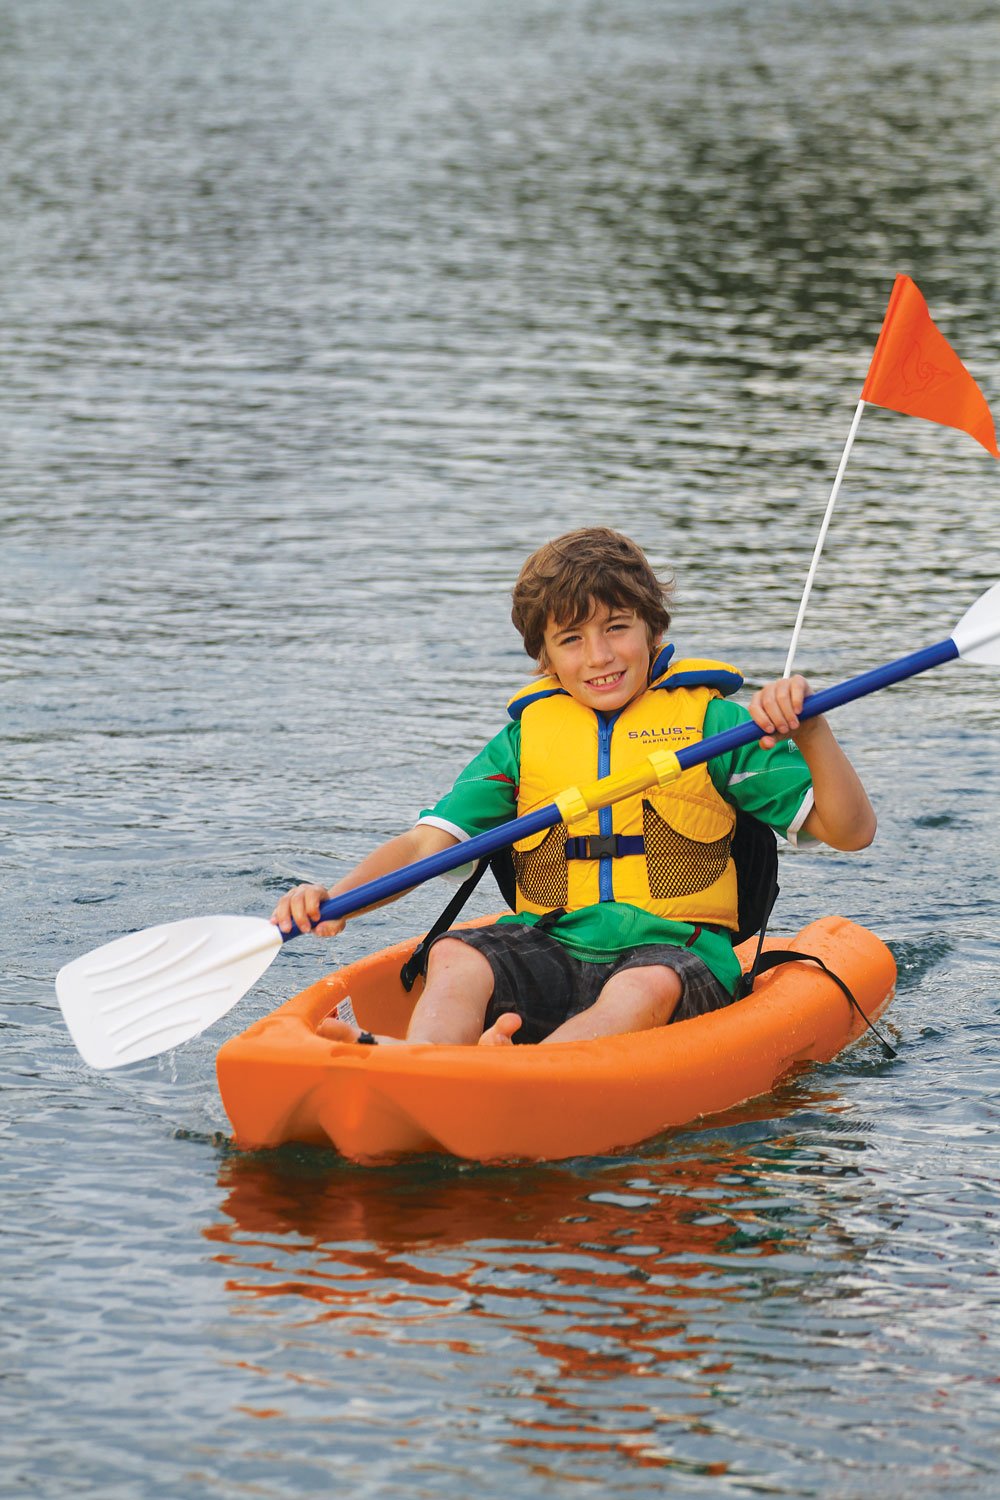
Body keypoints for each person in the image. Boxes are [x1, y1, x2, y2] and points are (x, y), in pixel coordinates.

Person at [271, 528, 876, 1047]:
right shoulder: (524, 743)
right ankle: (425, 1064)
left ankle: (528, 1077)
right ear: (545, 659)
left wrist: (813, 731)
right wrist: (338, 898)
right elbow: (424, 846)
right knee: (455, 955)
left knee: (640, 986)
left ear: (652, 631)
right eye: (571, 639)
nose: (599, 655)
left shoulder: (718, 726)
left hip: (676, 953)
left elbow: (851, 832)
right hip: (552, 944)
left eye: (617, 628)